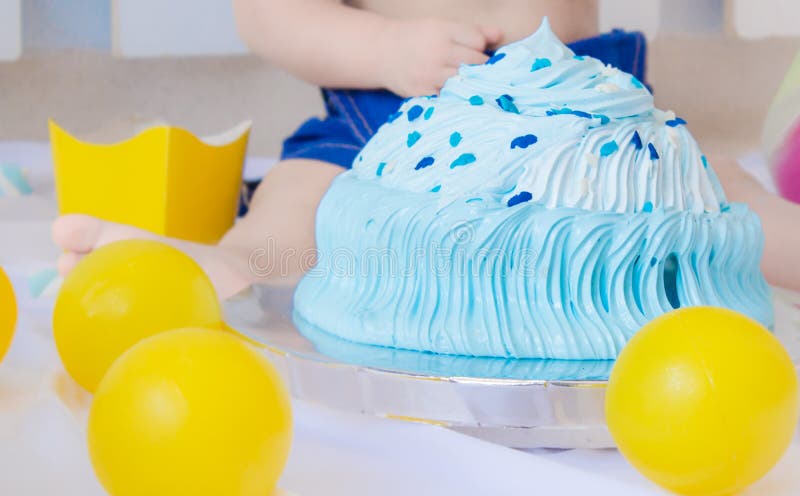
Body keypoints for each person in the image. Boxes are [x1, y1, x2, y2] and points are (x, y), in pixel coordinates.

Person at [52, 0, 800, 298]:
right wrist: (380, 45)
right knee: (301, 205)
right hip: (388, 113)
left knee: (716, 193)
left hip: (587, 107)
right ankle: (234, 266)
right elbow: (269, 12)